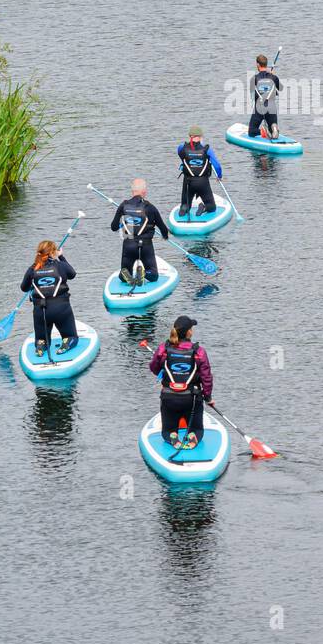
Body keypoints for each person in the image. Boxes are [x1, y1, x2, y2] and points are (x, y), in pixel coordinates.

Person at [149, 316, 214, 449]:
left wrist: (166, 374)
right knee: (198, 430)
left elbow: (154, 368)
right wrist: (208, 398)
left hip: (169, 397)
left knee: (167, 431)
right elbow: (206, 377)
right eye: (191, 328)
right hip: (192, 399)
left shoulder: (163, 349)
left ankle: (173, 435)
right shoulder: (199, 352)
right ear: (189, 332)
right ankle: (192, 436)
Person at [20, 240, 78, 355]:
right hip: (61, 310)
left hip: (41, 312)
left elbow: (24, 288)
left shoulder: (32, 269)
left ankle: (41, 345)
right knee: (72, 336)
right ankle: (67, 342)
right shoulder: (60, 265)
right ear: (52, 253)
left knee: (41, 339)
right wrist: (61, 256)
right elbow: (72, 274)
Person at [111, 178, 169, 286]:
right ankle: (144, 272)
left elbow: (113, 227)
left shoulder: (123, 206)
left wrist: (122, 223)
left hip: (128, 246)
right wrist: (165, 236)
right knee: (153, 275)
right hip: (145, 247)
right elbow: (163, 228)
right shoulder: (150, 207)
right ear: (144, 192)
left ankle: (125, 274)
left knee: (124, 275)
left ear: (132, 191)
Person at [177, 127, 223, 218]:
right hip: (203, 183)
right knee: (212, 207)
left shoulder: (181, 148)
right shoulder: (206, 149)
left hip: (188, 182)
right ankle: (204, 206)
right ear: (201, 136)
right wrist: (219, 175)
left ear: (190, 136)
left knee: (184, 207)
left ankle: (184, 209)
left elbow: (182, 157)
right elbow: (217, 165)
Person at [247, 53, 282, 139]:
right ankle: (274, 128)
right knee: (273, 134)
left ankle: (263, 131)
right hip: (272, 108)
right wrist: (273, 76)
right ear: (266, 65)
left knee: (251, 132)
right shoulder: (274, 77)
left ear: (258, 65)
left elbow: (252, 95)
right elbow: (280, 88)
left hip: (260, 108)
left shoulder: (254, 78)